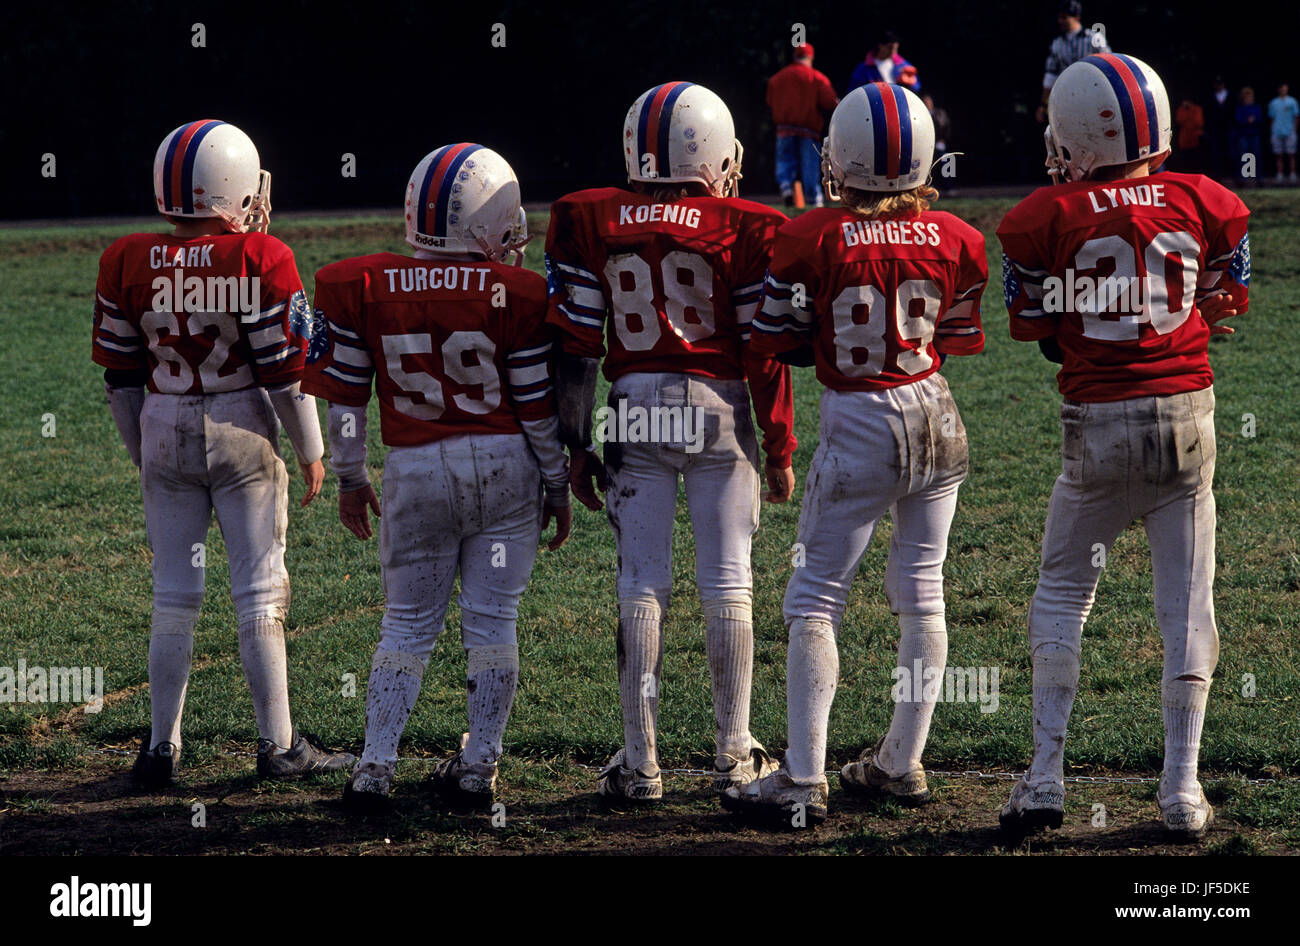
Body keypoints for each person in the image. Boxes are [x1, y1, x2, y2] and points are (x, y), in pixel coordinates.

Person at [997, 53, 1250, 841]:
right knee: (1186, 605)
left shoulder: (1041, 216)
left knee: (1064, 594)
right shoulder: (1209, 198)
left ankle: (1044, 778)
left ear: (1072, 133)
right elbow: (1225, 297)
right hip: (1187, 417)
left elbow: (1038, 331)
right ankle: (1182, 790)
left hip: (1099, 426)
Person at [724, 82, 988, 826]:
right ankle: (902, 761)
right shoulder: (959, 238)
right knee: (922, 588)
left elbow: (771, 340)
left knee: (814, 598)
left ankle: (805, 778)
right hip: (937, 412)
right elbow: (957, 337)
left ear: (838, 158)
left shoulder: (811, 235)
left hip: (861, 416)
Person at [545, 81, 798, 805]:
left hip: (633, 407)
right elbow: (764, 350)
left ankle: (640, 764)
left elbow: (576, 341)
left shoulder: (595, 217)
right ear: (714, 152)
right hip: (718, 402)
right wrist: (779, 445)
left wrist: (576, 444)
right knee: (729, 582)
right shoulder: (744, 223)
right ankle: (733, 754)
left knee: (641, 584)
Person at [302, 145, 573, 812]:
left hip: (416, 468)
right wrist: (557, 479)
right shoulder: (519, 292)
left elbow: (344, 397)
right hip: (506, 466)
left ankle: (373, 768)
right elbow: (538, 406)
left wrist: (347, 475)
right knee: (493, 621)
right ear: (486, 224)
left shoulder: (361, 285)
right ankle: (479, 769)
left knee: (405, 623)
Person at [92, 120, 356, 788]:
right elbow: (285, 374)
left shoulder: (124, 259)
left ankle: (159, 750)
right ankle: (280, 744)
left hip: (161, 420)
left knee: (174, 596)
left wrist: (142, 450)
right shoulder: (259, 257)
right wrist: (313, 451)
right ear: (233, 188)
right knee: (260, 589)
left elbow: (119, 377)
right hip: (240, 421)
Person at [767, 43, 839, 207]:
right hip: (808, 129)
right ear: (810, 57)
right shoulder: (817, 77)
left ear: (795, 56)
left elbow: (770, 100)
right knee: (810, 166)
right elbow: (830, 102)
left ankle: (786, 187)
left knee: (785, 161)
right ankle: (815, 200)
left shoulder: (777, 78)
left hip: (784, 128)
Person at [1037, 1, 1109, 124]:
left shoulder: (1094, 38)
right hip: (1067, 98)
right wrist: (1043, 105)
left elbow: (1109, 64)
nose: (1060, 21)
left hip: (1094, 97)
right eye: (1059, 17)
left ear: (1076, 17)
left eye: (1064, 17)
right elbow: (1050, 76)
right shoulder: (1057, 43)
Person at [847, 30, 921, 94]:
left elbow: (917, 88)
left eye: (896, 48)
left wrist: (910, 84)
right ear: (880, 45)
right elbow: (854, 93)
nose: (893, 52)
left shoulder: (903, 65)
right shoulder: (864, 69)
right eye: (890, 48)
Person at [1267, 82, 1298, 182]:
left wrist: (1294, 130)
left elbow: (1296, 117)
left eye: (1285, 88)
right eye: (1282, 88)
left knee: (1291, 154)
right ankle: (1280, 174)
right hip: (1277, 132)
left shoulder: (1292, 101)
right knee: (1278, 154)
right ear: (1279, 90)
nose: (1283, 90)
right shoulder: (1273, 103)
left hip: (1290, 132)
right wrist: (1272, 132)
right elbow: (1271, 118)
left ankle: (1292, 174)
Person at [1204, 76, 1233, 181]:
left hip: (1229, 128)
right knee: (1216, 153)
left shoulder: (1230, 96)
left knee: (1230, 151)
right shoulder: (1211, 97)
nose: (1219, 86)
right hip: (1216, 129)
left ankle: (1231, 174)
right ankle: (1218, 175)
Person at [1233, 87, 1263, 183]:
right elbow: (1238, 120)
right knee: (1244, 156)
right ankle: (1244, 177)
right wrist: (1247, 120)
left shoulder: (1256, 108)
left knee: (1256, 155)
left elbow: (1260, 119)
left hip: (1254, 134)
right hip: (1243, 135)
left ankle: (1256, 177)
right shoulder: (1240, 108)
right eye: (1247, 97)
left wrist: (1254, 120)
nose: (1249, 98)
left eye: (1250, 96)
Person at [1174, 97, 1205, 173]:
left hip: (1195, 138)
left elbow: (1199, 122)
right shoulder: (1181, 109)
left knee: (1195, 158)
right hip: (1184, 138)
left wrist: (1189, 111)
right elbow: (1179, 120)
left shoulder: (1197, 109)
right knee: (1185, 158)